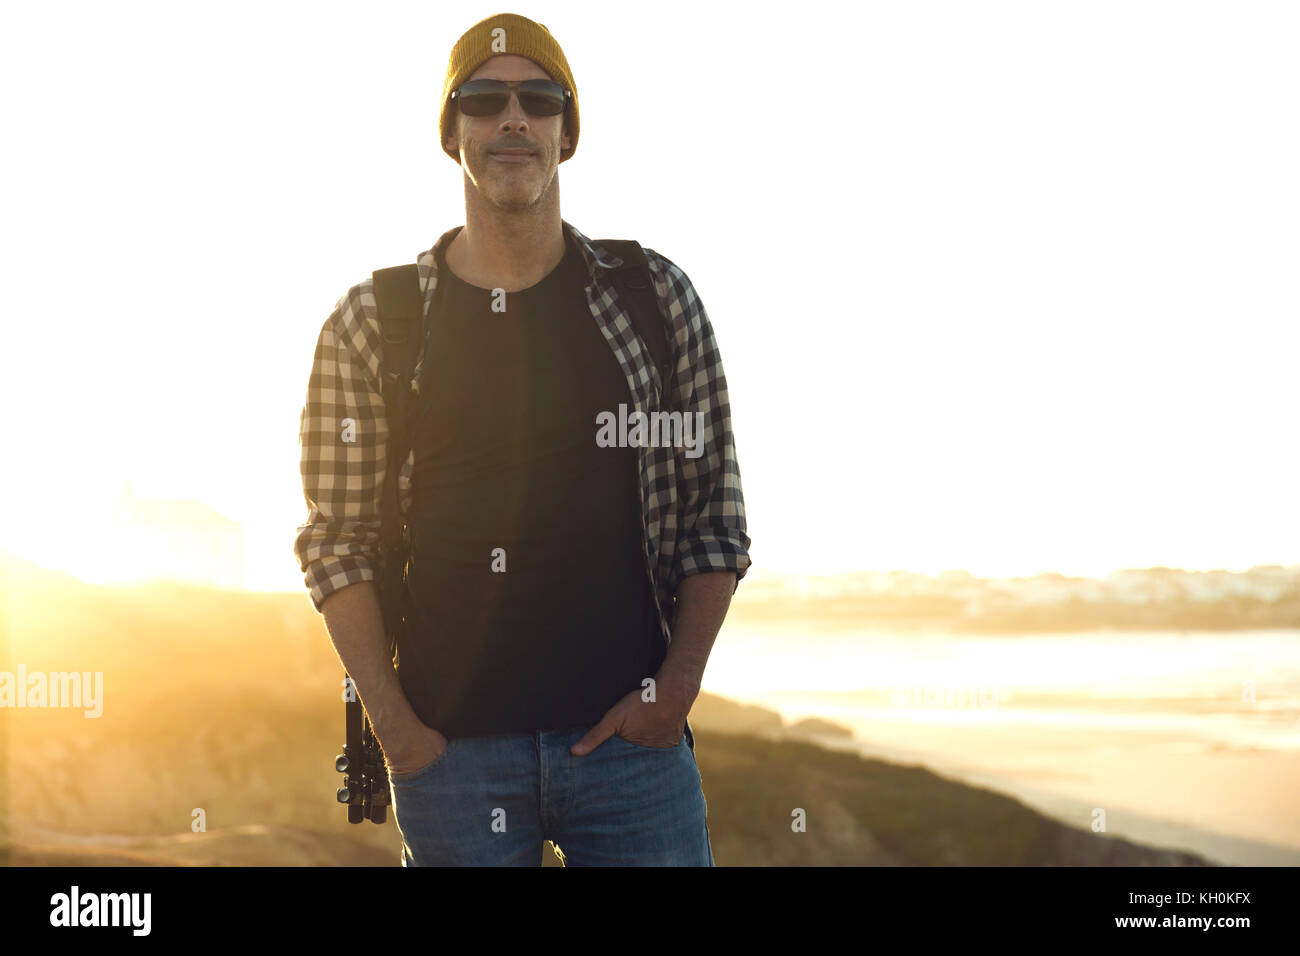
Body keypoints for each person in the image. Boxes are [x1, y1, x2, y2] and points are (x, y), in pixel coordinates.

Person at [293, 12, 750, 866]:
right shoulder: (375, 323)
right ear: (452, 130)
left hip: (633, 757)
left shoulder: (654, 299)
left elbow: (713, 516)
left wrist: (673, 692)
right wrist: (399, 732)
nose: (513, 119)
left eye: (539, 100)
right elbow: (337, 544)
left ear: (566, 133)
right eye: (483, 98)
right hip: (451, 764)